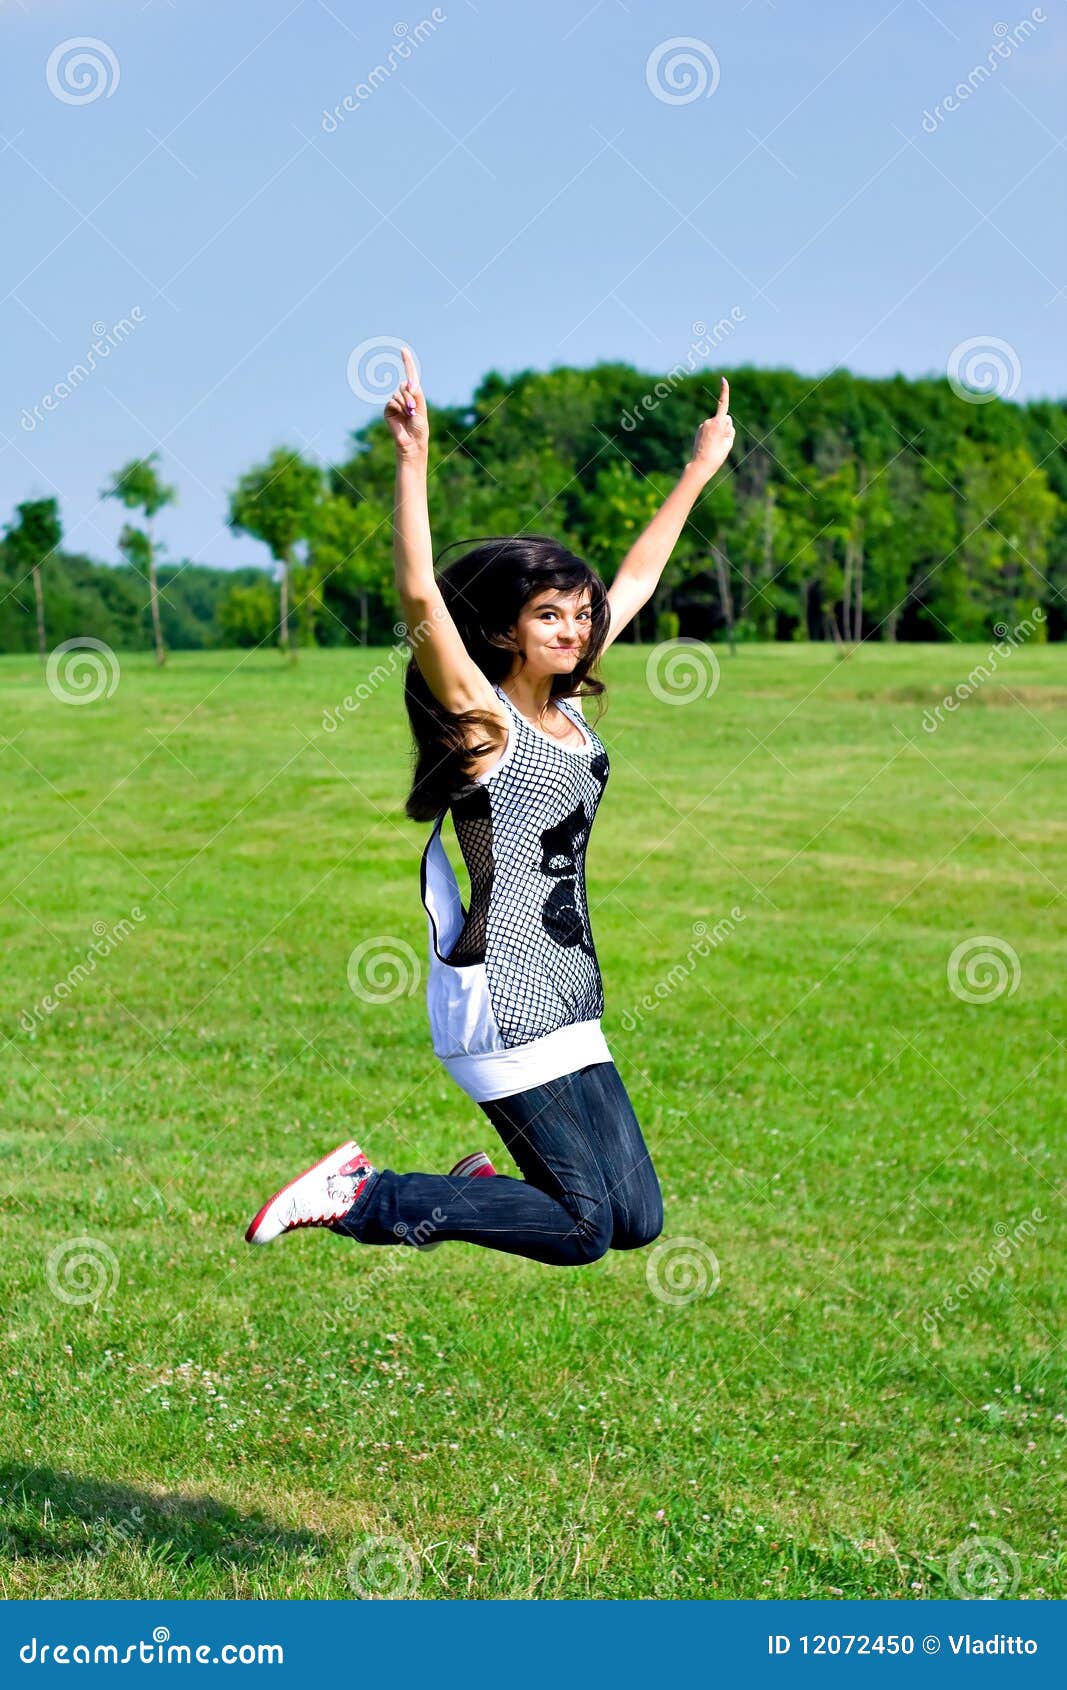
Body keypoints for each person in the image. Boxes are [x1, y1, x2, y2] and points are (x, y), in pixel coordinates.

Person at [245, 347, 736, 1263]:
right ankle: (365, 1193)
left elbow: (632, 580)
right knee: (585, 1232)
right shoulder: (486, 722)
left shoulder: (568, 709)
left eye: (579, 617)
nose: (575, 628)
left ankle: (474, 1193)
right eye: (551, 615)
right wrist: (411, 462)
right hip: (499, 997)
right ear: (506, 628)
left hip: (569, 989)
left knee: (637, 1222)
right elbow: (418, 594)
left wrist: (698, 469)